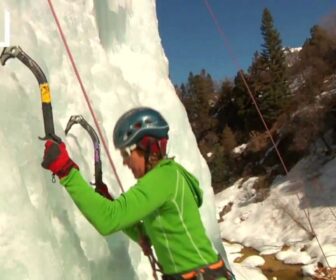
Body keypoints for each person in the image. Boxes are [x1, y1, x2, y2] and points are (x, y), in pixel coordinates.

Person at [41, 107, 234, 280]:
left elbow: (107, 220)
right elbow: (149, 234)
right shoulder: (167, 178)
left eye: (127, 154)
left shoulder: (164, 176)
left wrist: (66, 170)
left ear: (148, 147)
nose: (125, 162)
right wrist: (108, 200)